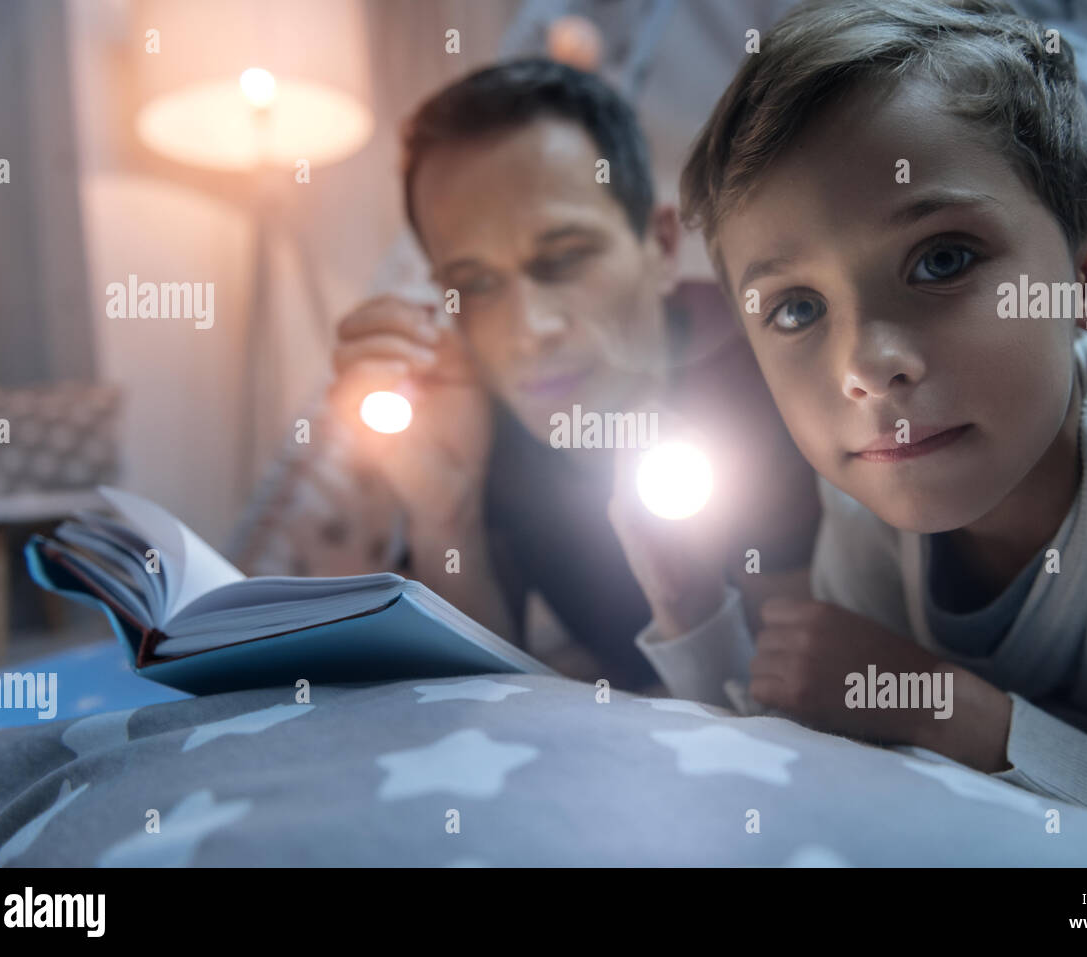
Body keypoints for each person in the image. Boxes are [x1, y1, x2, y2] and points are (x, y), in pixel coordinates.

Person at [619, 0, 1087, 860]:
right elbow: (820, 758)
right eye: (797, 308)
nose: (868, 365)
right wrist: (694, 613)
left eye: (943, 259)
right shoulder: (866, 498)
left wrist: (952, 710)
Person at [329, 58, 820, 693]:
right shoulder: (475, 419)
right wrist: (442, 511)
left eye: (563, 259)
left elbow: (787, 703)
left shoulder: (773, 371)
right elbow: (470, 707)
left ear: (663, 246)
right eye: (474, 284)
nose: (527, 328)